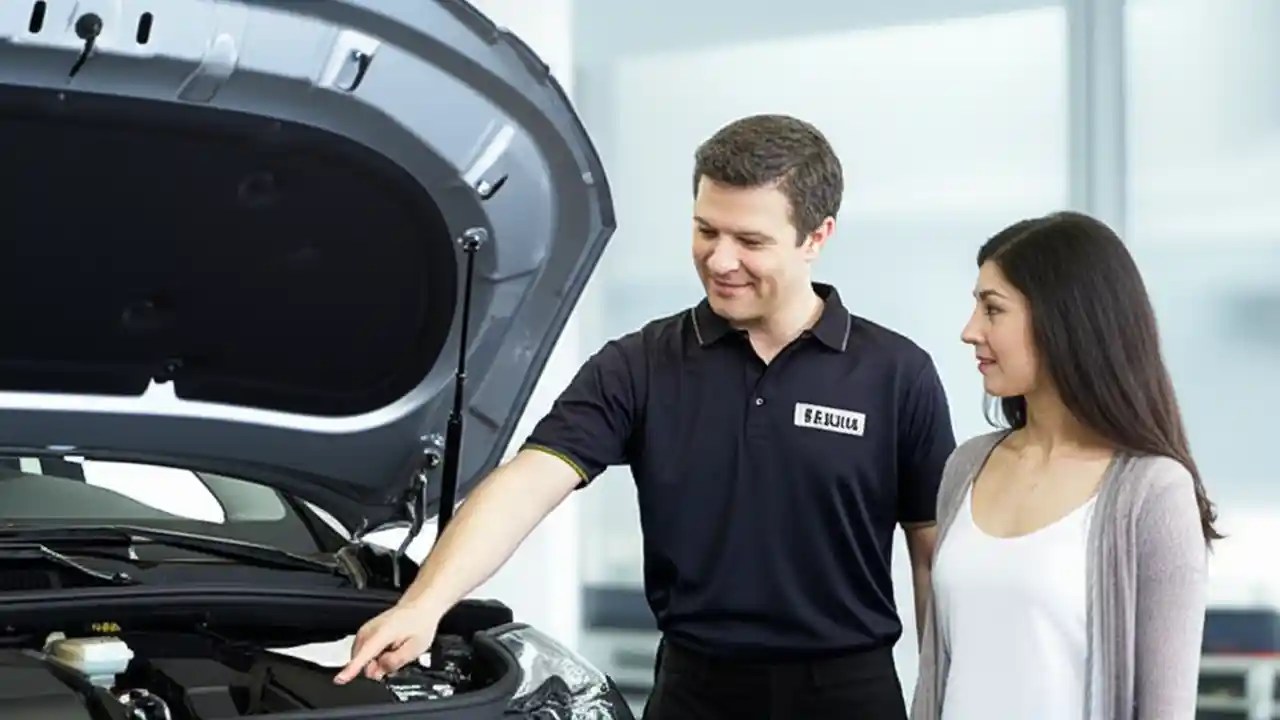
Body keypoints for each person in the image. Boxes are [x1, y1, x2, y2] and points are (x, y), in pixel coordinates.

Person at [334, 113, 957, 720]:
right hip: (694, 689)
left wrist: (941, 696)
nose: (719, 260)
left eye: (750, 241)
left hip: (847, 692)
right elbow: (526, 485)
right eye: (706, 230)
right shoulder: (640, 365)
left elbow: (931, 553)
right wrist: (425, 605)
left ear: (816, 237)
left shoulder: (896, 373)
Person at [911, 211, 1215, 720]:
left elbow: (1166, 708)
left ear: (1062, 319)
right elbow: (935, 676)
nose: (970, 331)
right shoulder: (967, 467)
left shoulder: (1153, 491)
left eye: (992, 309)